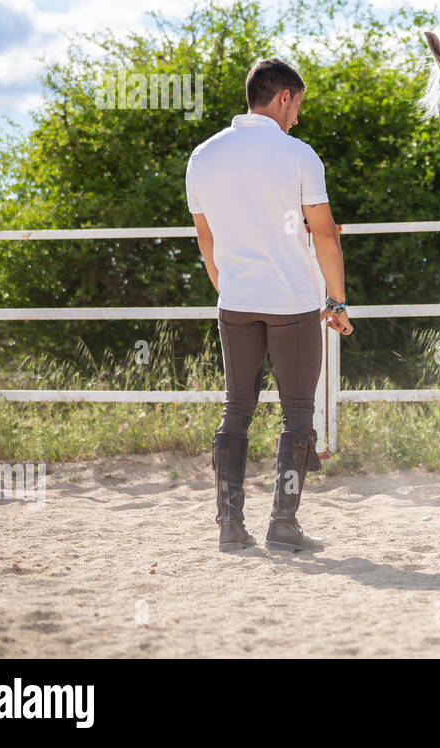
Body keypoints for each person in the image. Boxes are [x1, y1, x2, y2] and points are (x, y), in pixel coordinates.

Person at [186, 58, 353, 553]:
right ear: (283, 97)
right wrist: (337, 301)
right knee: (297, 413)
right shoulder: (298, 154)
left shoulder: (203, 155)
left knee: (236, 409)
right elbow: (324, 235)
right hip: (293, 305)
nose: (297, 116)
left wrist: (228, 289)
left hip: (235, 302)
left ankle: (229, 527)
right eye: (297, 104)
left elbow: (206, 239)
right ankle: (283, 525)